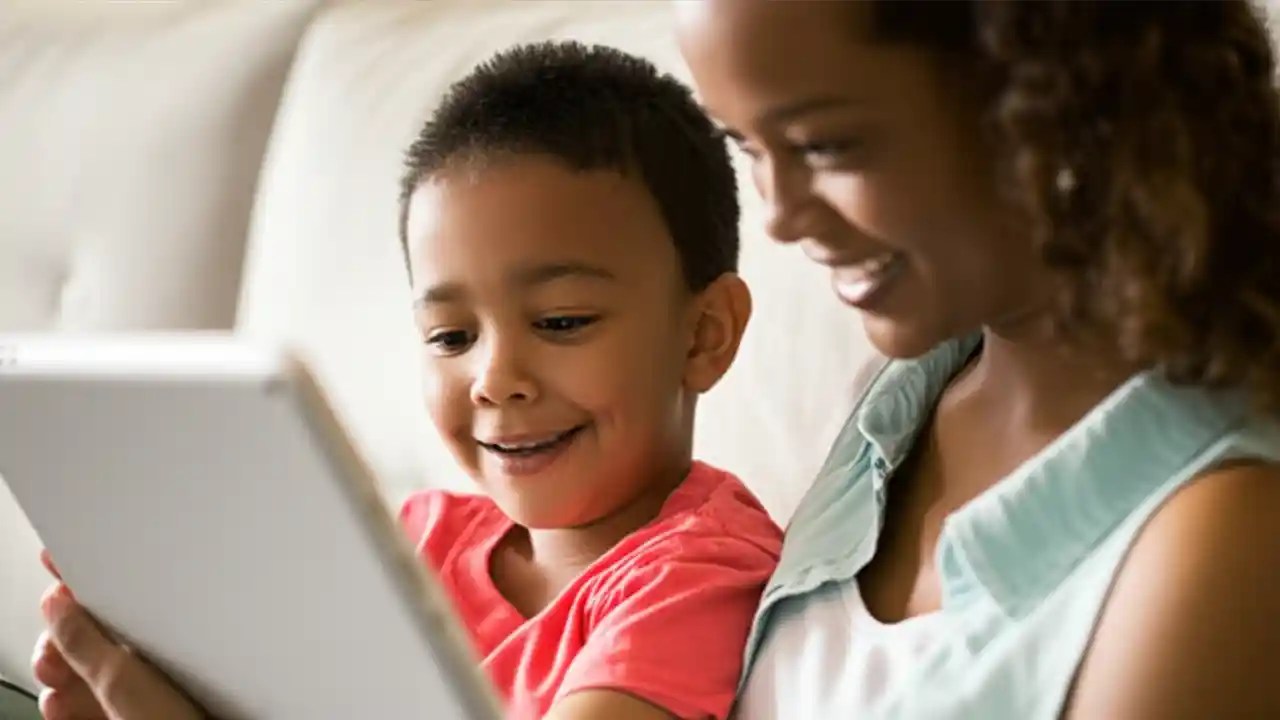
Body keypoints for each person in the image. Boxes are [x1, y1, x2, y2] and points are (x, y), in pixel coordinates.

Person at [28, 42, 782, 720]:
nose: (495, 380)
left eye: (561, 321)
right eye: (451, 337)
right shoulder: (415, 539)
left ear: (705, 334)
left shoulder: (701, 574)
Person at [672, 0, 1280, 717]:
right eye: (746, 146)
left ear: (1051, 104)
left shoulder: (1228, 535)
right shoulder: (895, 412)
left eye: (826, 145)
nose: (778, 216)